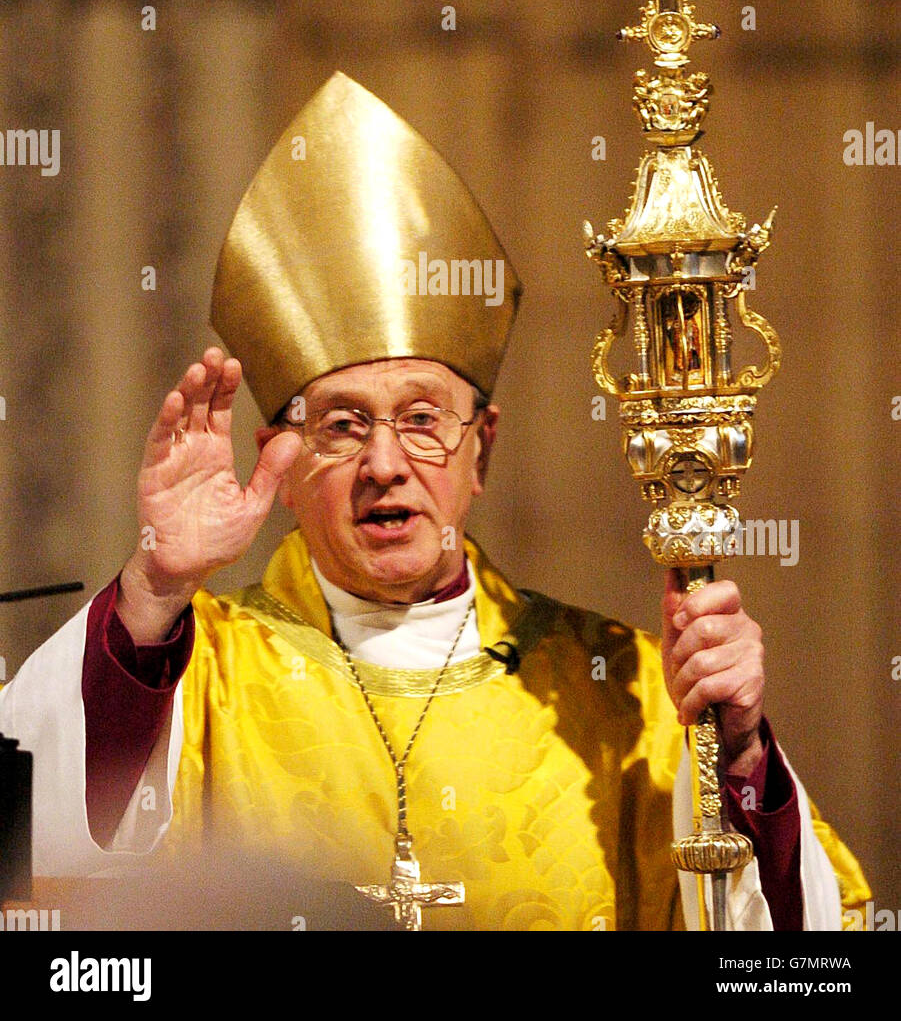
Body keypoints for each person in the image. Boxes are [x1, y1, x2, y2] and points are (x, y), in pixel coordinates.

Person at [0, 74, 870, 931]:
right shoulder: (185, 674)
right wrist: (152, 589)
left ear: (481, 448)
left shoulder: (627, 690)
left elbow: (792, 955)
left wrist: (742, 751)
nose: (385, 463)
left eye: (422, 419)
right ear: (277, 460)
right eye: (340, 425)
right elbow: (44, 869)